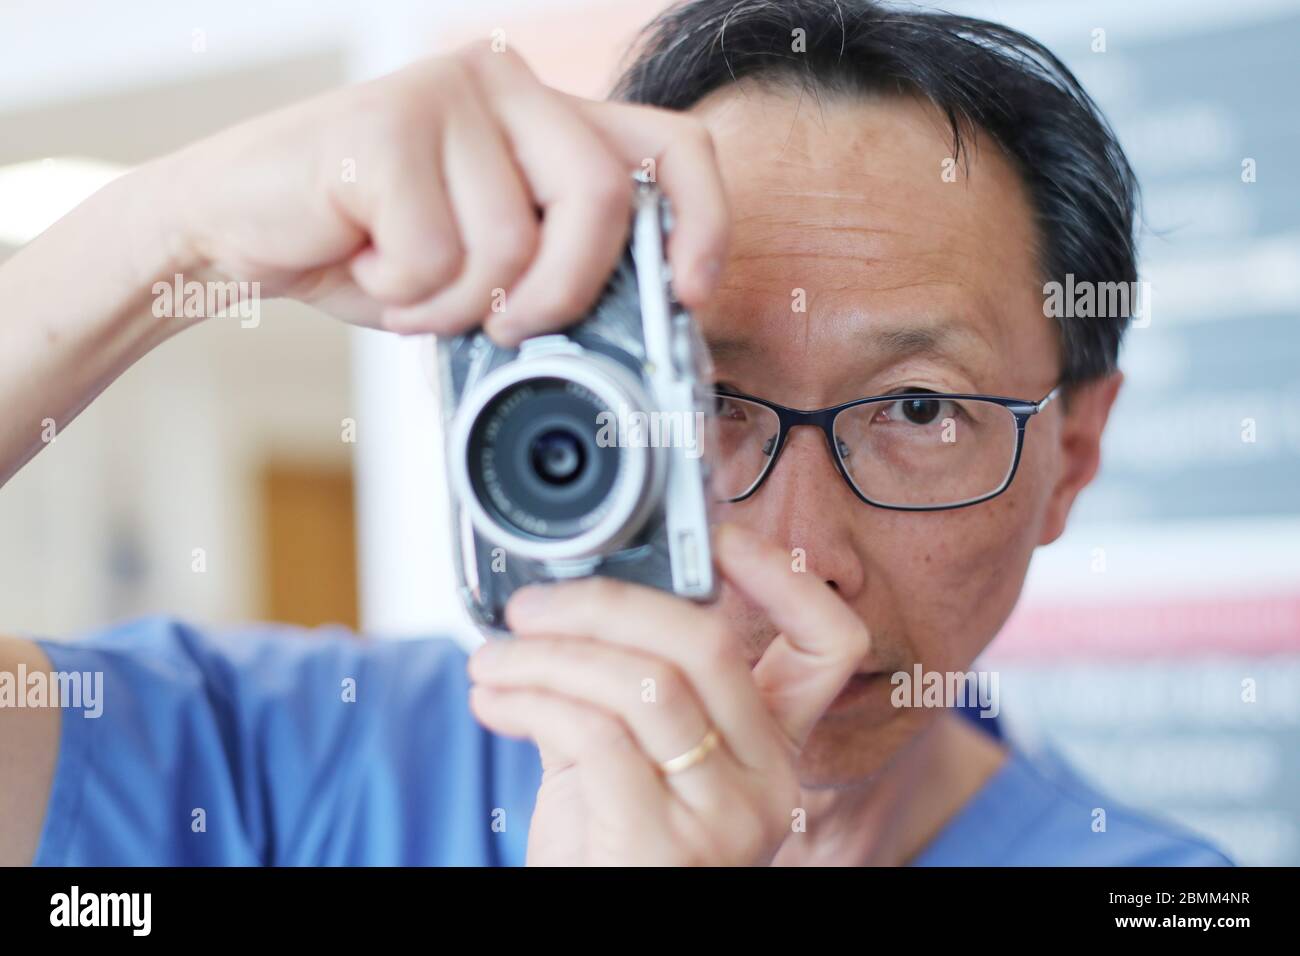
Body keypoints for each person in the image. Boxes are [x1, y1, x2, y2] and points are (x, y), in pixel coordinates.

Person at [0, 0, 1231, 866]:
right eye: (703, 401)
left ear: (1067, 457)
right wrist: (162, 238)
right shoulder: (302, 763)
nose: (803, 561)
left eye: (919, 407)